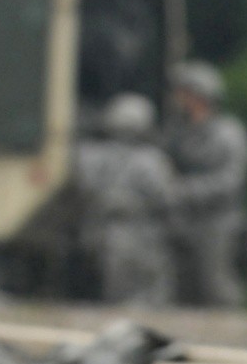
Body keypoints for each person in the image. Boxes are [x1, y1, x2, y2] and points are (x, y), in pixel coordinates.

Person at [73, 93, 178, 306]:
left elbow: (83, 190)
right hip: (142, 233)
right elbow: (166, 198)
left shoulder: (88, 155)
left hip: (103, 232)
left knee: (113, 292)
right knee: (151, 295)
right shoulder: (151, 160)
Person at [167, 60, 247, 308]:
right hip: (183, 219)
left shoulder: (228, 133)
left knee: (217, 288)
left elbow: (232, 179)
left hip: (217, 221)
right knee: (182, 291)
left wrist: (187, 189)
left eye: (185, 92)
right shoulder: (179, 132)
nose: (179, 98)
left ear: (199, 95)